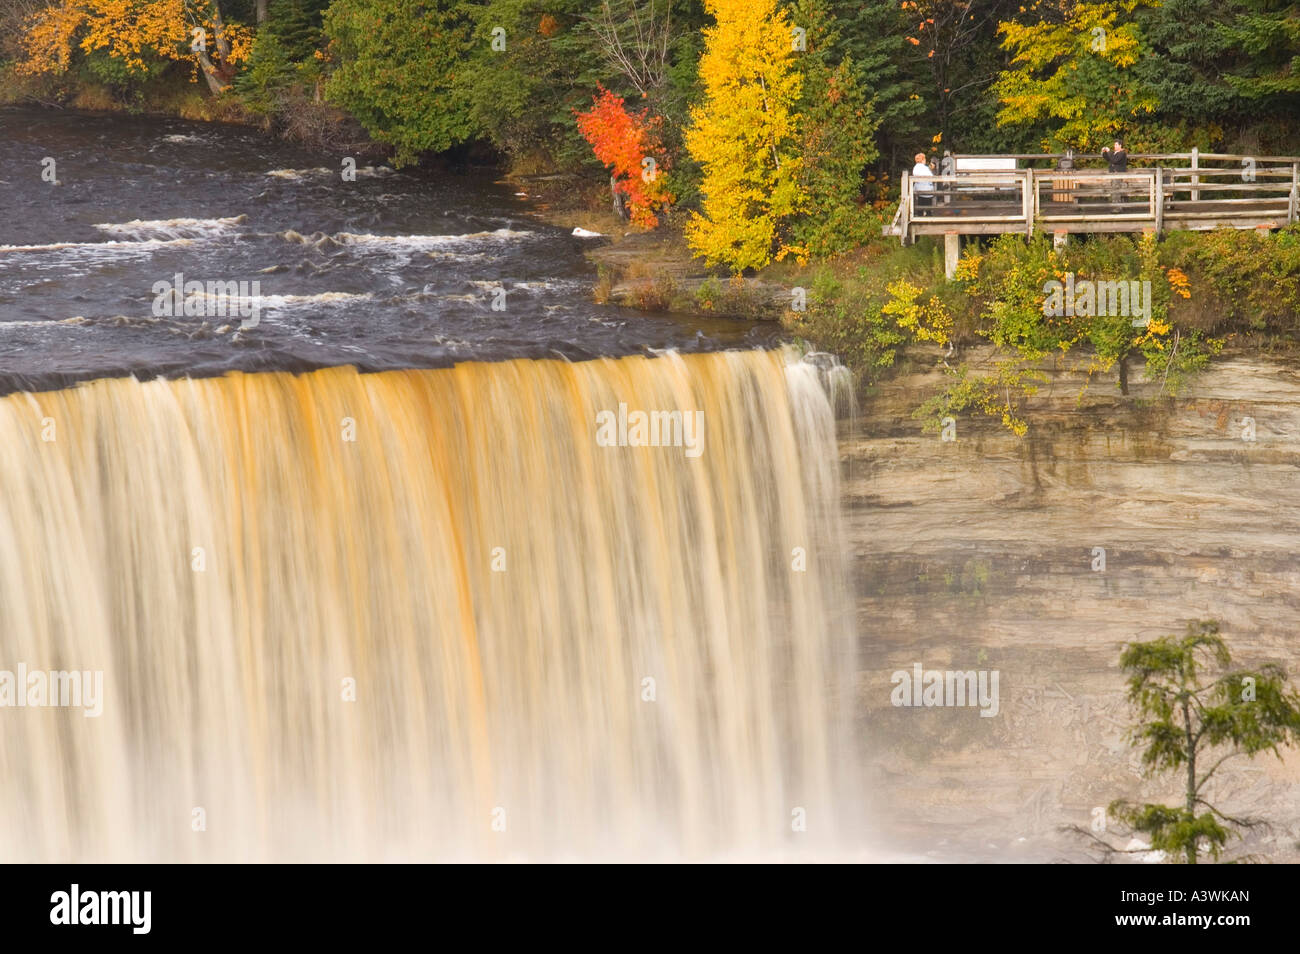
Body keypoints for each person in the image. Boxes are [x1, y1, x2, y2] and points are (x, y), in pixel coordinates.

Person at [1101, 140, 1128, 206]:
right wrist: (1104, 152)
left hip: (1118, 173)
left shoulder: (1122, 153)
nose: (1114, 146)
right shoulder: (1114, 153)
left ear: (1120, 145)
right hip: (1113, 173)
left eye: (1116, 145)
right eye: (1114, 145)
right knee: (1114, 189)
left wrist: (1109, 151)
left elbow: (1114, 160)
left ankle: (1117, 206)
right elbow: (1108, 158)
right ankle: (1115, 205)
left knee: (1117, 189)